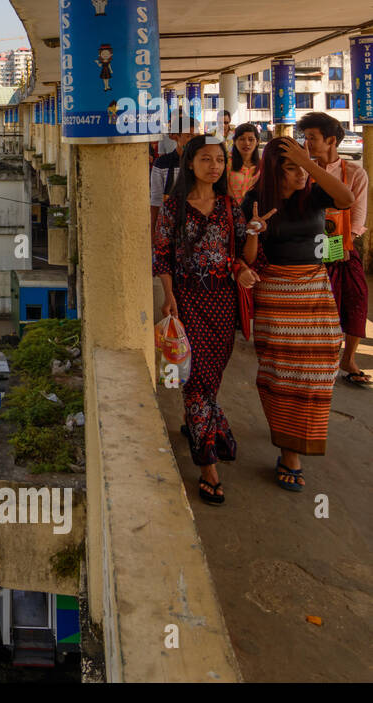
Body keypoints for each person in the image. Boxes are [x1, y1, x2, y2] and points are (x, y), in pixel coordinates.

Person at [240, 136, 356, 491]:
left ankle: (299, 433)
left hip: (315, 288)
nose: (299, 174)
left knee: (320, 366)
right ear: (275, 171)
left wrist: (308, 164)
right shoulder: (255, 200)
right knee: (283, 370)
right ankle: (290, 452)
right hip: (276, 291)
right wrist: (254, 231)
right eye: (290, 168)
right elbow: (247, 258)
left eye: (301, 165)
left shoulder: (315, 193)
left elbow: (347, 199)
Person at [153, 135, 256, 504]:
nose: (214, 166)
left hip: (222, 303)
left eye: (219, 160)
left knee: (210, 375)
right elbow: (162, 256)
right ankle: (207, 464)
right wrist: (168, 297)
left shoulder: (231, 206)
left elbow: (243, 252)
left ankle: (213, 424)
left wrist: (247, 256)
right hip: (187, 302)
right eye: (206, 159)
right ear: (190, 164)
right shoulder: (173, 207)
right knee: (195, 381)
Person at [301, 111, 370, 388]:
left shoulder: (354, 172)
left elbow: (357, 216)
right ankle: (314, 358)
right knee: (313, 308)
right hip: (307, 247)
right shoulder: (302, 169)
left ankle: (348, 358)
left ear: (331, 140)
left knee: (356, 300)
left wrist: (339, 245)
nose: (307, 143)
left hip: (342, 246)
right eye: (305, 138)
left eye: (312, 138)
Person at [150, 126, 194, 237]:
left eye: (196, 136)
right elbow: (156, 200)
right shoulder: (162, 163)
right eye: (189, 136)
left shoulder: (201, 164)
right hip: (169, 226)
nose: (193, 140)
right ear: (176, 136)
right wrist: (153, 233)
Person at [226, 122, 260, 206]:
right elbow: (226, 188)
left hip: (255, 212)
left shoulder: (262, 165)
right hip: (232, 210)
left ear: (257, 142)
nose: (247, 143)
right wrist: (238, 209)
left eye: (251, 139)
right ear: (234, 141)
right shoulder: (227, 162)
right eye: (242, 139)